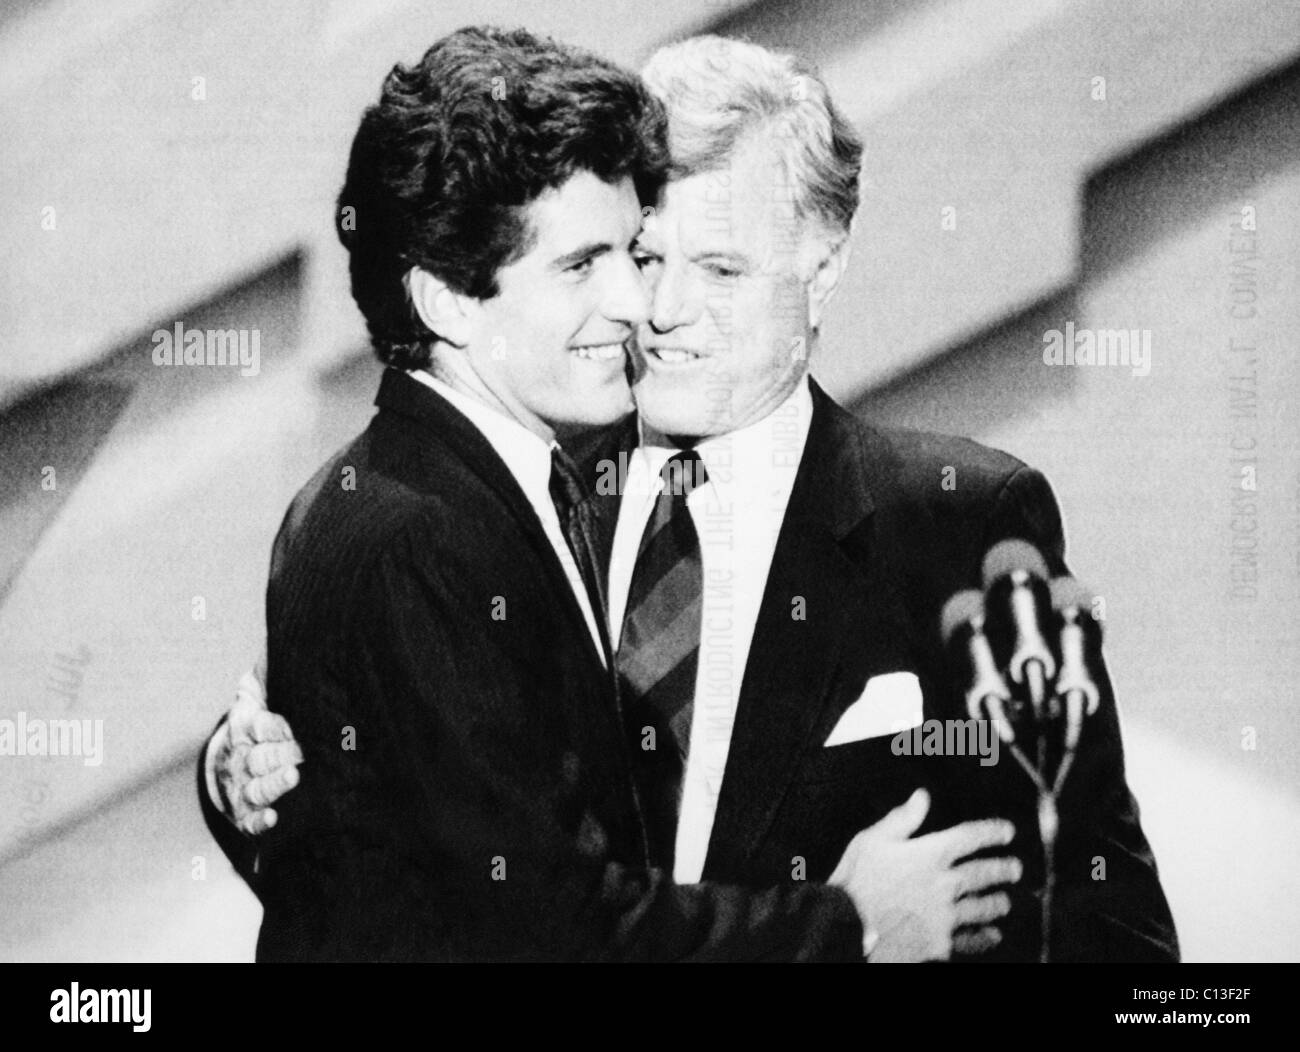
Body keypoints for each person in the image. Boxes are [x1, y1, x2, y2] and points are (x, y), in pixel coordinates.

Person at [204, 25, 1024, 962]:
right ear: (448, 301)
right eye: (622, 258)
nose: (649, 307)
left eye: (714, 267)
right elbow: (529, 912)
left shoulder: (958, 521)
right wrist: (849, 924)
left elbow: (1096, 920)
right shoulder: (476, 509)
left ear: (824, 267)